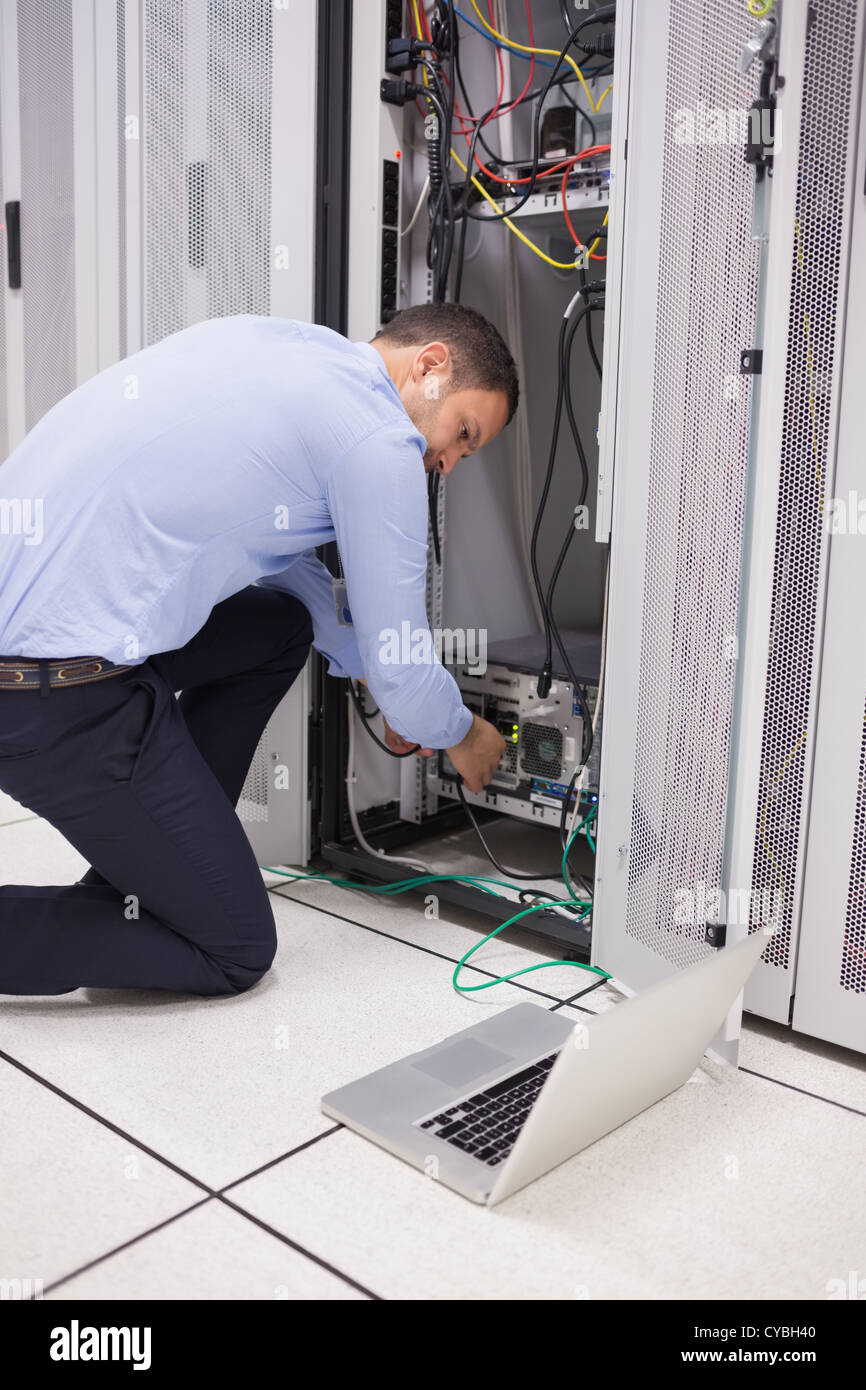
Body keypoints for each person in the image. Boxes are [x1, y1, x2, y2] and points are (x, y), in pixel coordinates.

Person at [0, 303, 517, 997]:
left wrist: (372, 674)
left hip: (34, 664)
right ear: (430, 366)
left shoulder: (277, 346)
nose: (448, 464)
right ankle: (162, 888)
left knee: (275, 629)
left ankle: (157, 865)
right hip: (53, 698)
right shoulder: (377, 438)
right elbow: (403, 660)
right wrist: (460, 731)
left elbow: (285, 569)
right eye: (464, 434)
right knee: (236, 947)